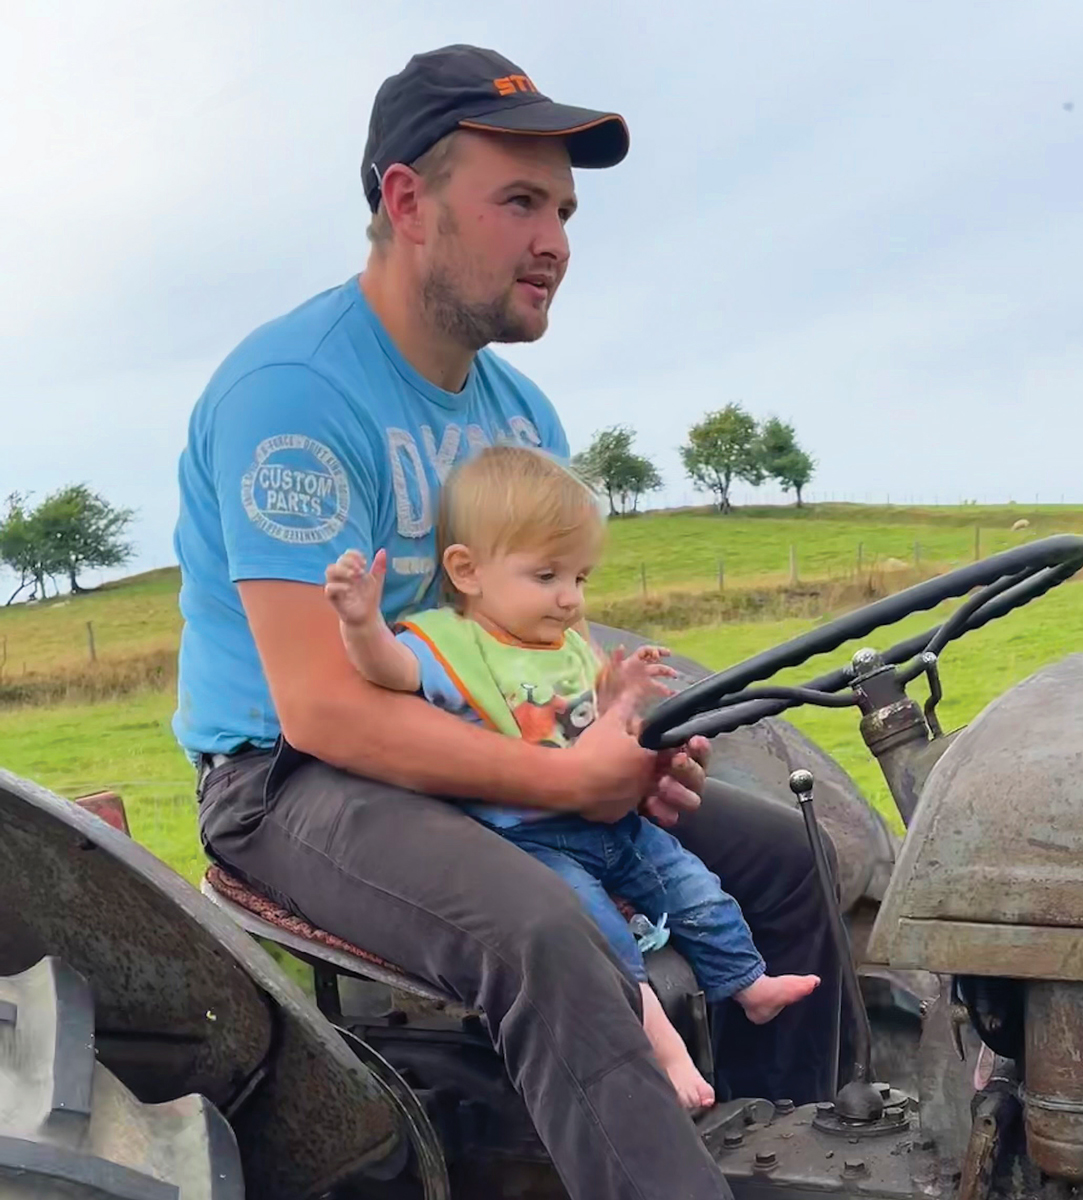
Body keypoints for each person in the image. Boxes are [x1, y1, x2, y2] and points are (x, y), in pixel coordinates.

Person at [172, 43, 841, 1200]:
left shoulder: (518, 412)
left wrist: (627, 739)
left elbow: (543, 630)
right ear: (404, 200)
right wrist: (572, 783)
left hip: (490, 745)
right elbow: (323, 706)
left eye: (566, 210)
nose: (557, 243)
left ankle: (795, 1152)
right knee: (542, 931)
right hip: (291, 778)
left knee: (785, 860)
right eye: (520, 201)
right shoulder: (294, 395)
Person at [322, 445, 820, 1111]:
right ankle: (665, 1049)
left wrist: (623, 687)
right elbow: (390, 671)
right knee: (599, 936)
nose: (569, 597)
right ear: (467, 571)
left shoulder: (561, 645)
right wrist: (359, 622)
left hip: (617, 825)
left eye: (581, 579)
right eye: (548, 575)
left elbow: (595, 712)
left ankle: (748, 985)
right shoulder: (449, 644)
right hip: (533, 838)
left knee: (700, 892)